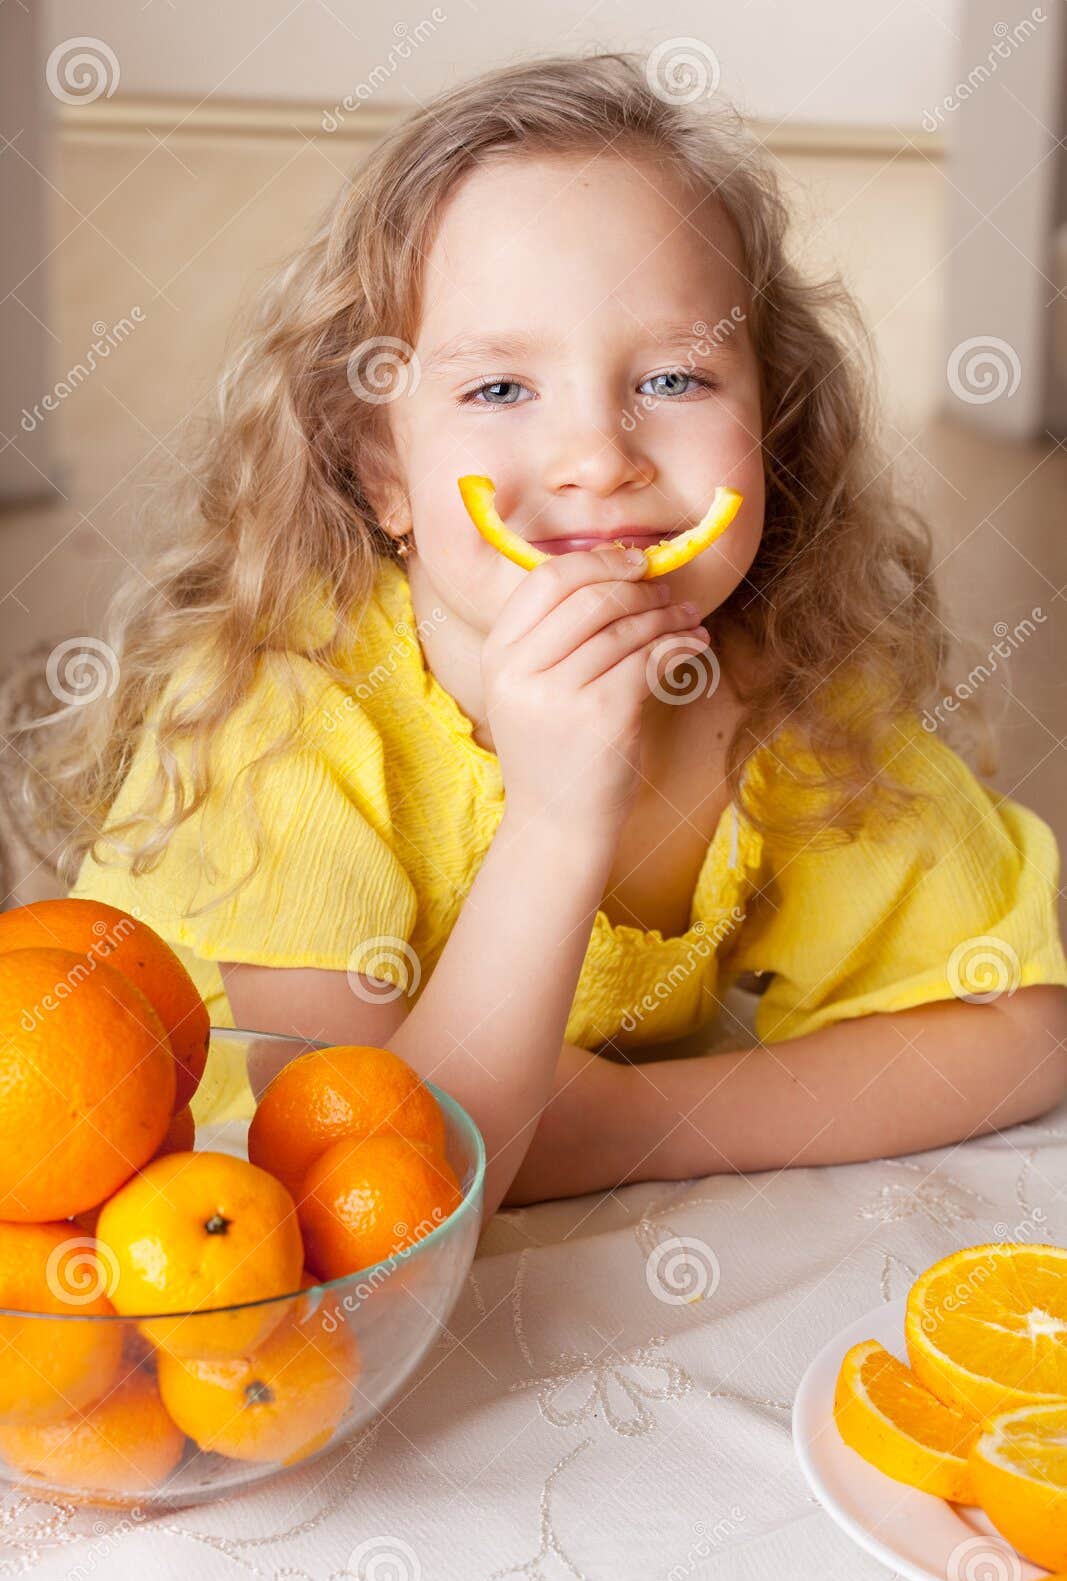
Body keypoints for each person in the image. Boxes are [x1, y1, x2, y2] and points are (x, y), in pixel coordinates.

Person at [20, 53, 1067, 1225]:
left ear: (770, 425)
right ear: (382, 471)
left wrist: (635, 1124)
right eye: (500, 391)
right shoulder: (280, 710)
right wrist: (558, 818)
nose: (597, 456)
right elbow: (365, 1191)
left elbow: (1012, 1022)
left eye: (674, 378)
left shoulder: (795, 688)